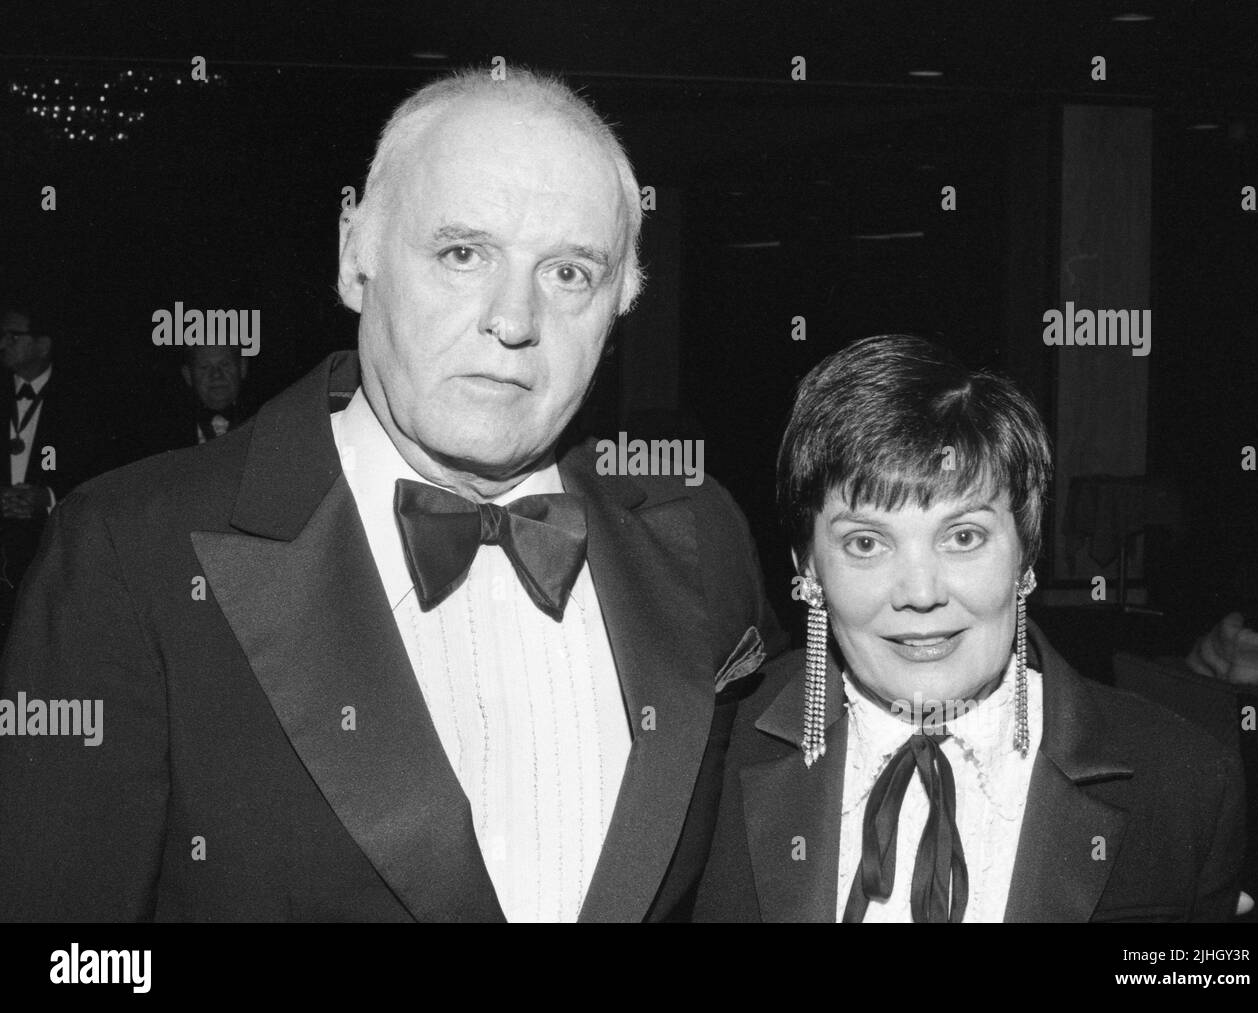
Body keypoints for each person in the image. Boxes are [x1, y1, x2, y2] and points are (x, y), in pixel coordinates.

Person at [0, 67, 782, 922]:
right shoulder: (129, 552)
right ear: (354, 255)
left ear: (620, 304)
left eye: (568, 273)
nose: (513, 319)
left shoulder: (693, 528)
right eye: (462, 253)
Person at [695, 334, 1245, 922]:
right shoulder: (710, 764)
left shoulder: (1183, 780)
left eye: (963, 537)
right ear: (809, 569)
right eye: (866, 542)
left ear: (1025, 553)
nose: (922, 592)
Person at [0, 301, 119, 643]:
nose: (2, 342)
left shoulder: (83, 402)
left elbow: (100, 470)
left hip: (55, 554)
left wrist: (48, 498)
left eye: (13, 335)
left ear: (43, 344)